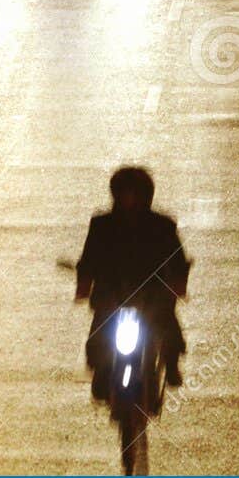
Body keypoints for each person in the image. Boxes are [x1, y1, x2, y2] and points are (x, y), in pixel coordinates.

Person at [76, 166, 189, 393]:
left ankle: (171, 362)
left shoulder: (163, 225)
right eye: (125, 193)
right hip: (112, 292)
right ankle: (100, 368)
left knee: (167, 324)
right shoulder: (101, 225)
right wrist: (84, 284)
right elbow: (88, 259)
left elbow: (178, 260)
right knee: (100, 328)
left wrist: (178, 283)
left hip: (152, 293)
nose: (130, 199)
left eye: (135, 194)